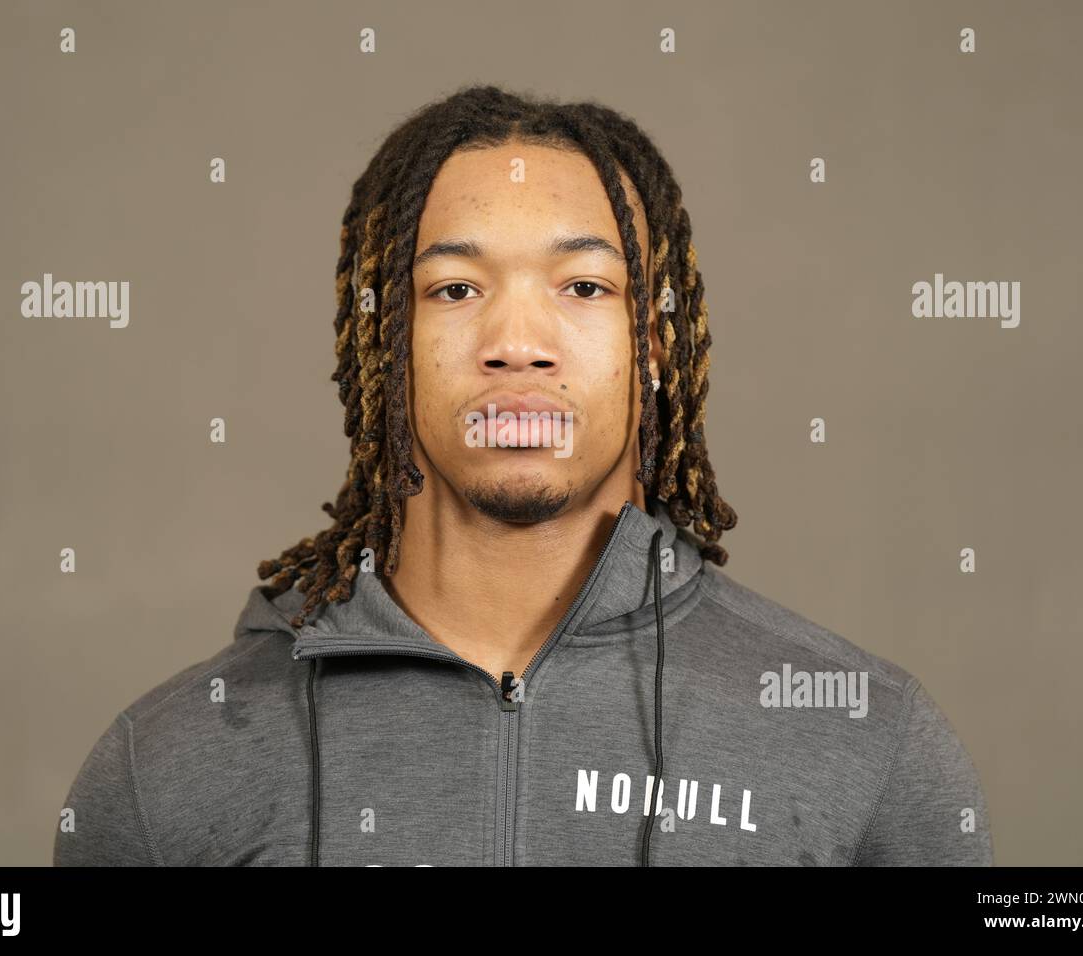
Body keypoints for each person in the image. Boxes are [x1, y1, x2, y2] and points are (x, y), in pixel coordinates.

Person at [54, 85, 992, 866]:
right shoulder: (167, 766)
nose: (516, 344)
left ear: (656, 342)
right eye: (456, 290)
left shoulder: (865, 740)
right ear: (387, 344)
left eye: (584, 287)